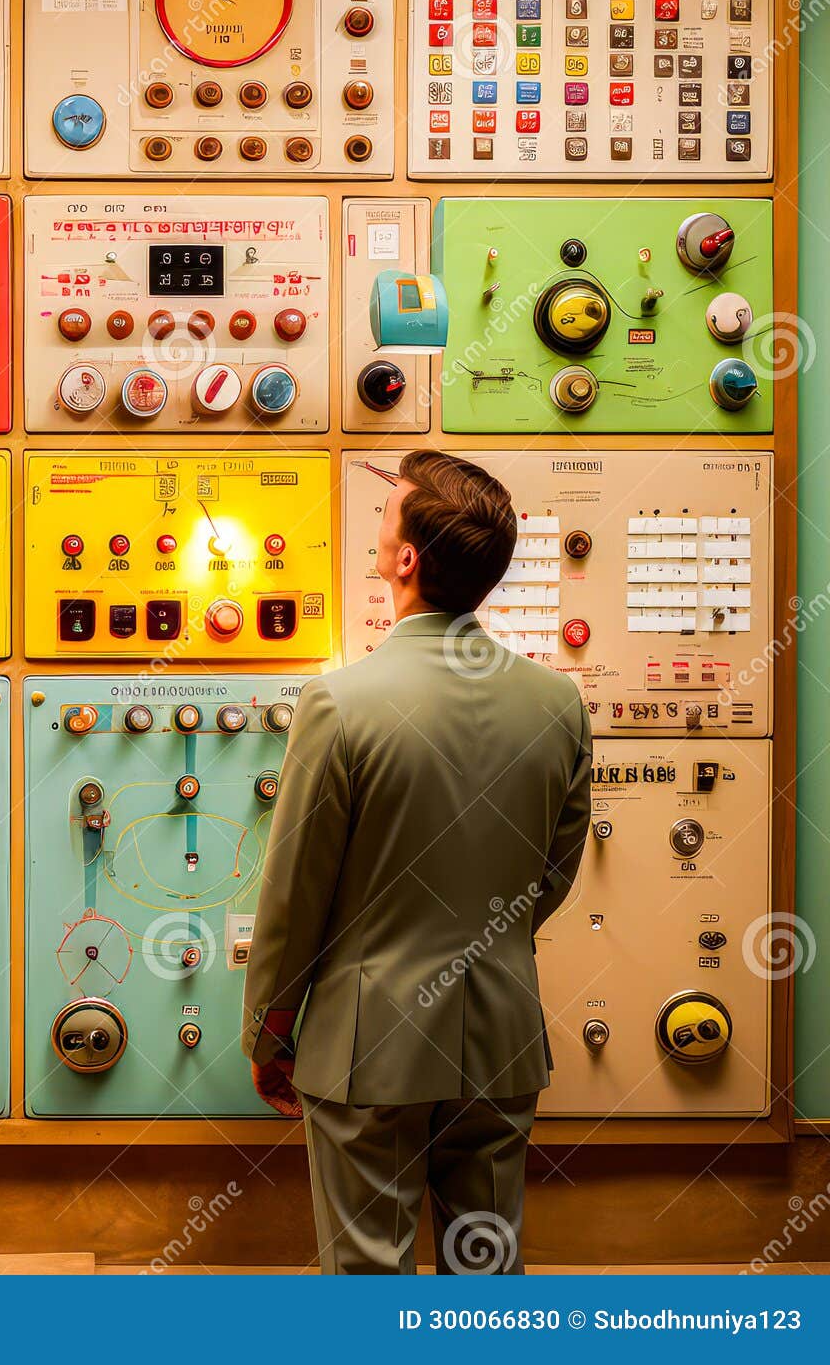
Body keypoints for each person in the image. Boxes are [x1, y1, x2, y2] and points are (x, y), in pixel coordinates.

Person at [242, 449, 594, 1275]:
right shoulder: (557, 704)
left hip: (367, 1046)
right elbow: (555, 872)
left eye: (386, 511)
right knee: (485, 1267)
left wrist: (270, 1029)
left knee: (370, 1274)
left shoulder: (339, 702)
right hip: (502, 1035)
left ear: (405, 559)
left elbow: (295, 896)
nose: (379, 524)